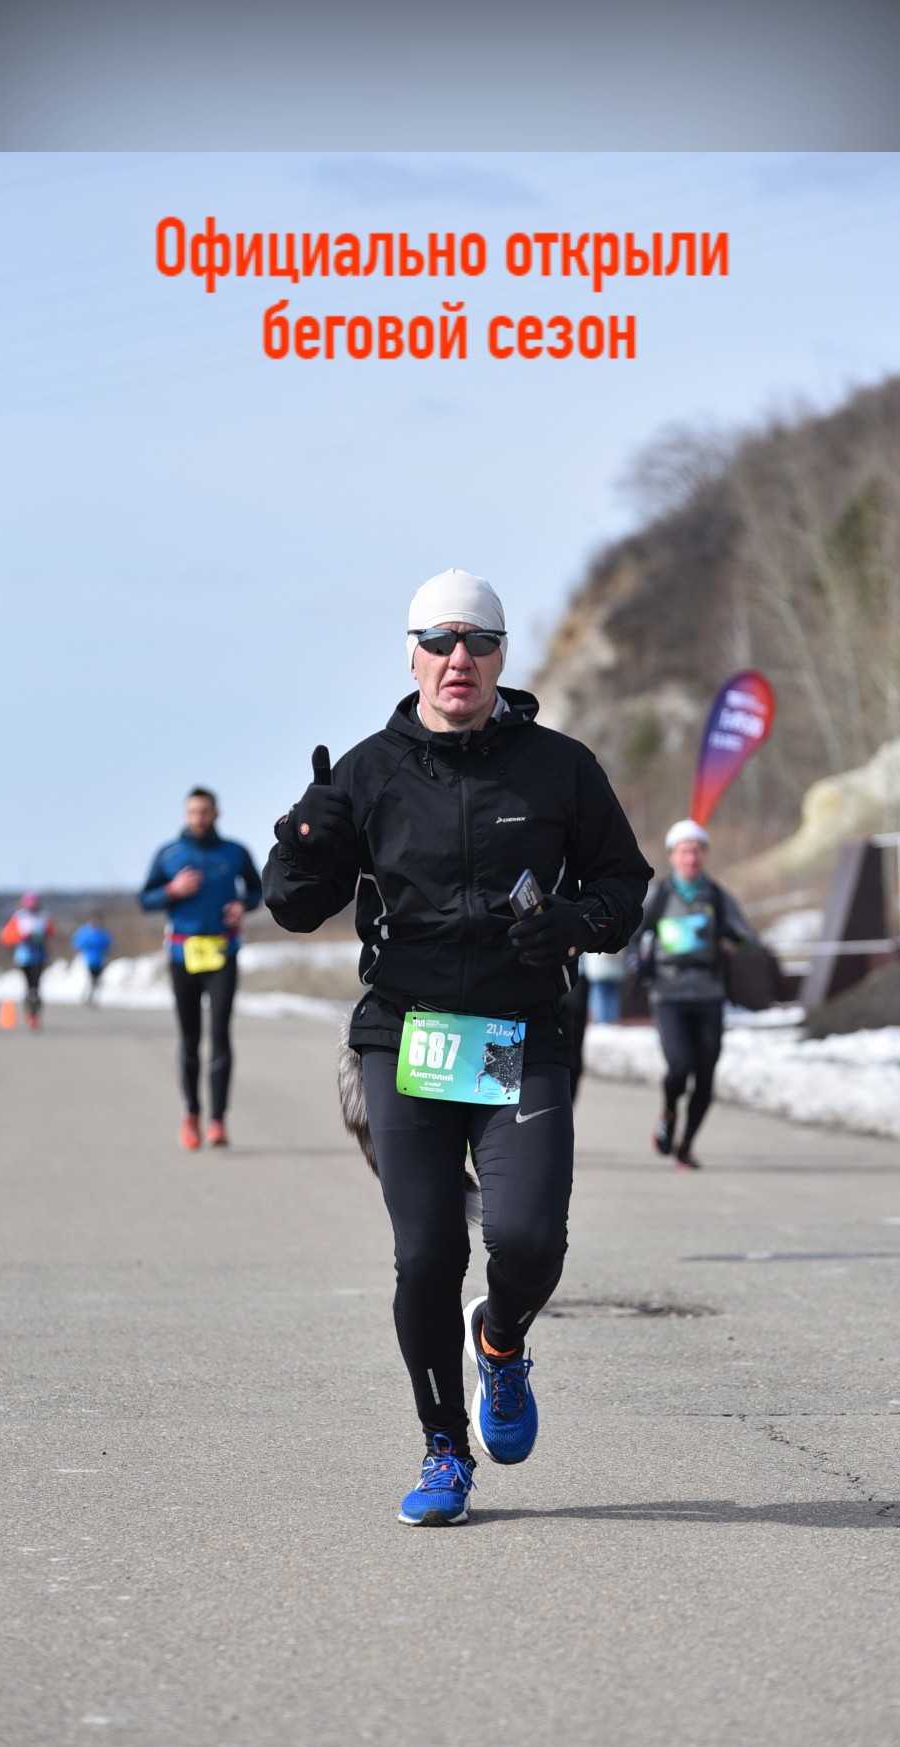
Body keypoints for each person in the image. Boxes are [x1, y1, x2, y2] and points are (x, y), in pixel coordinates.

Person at [262, 568, 652, 1526]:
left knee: (526, 1240)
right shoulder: (368, 769)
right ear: (412, 656)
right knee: (427, 1251)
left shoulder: (561, 767)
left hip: (522, 1036)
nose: (457, 660)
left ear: (502, 656)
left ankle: (504, 1340)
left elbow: (623, 890)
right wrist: (303, 844)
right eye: (438, 642)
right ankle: (444, 1449)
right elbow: (293, 904)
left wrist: (570, 920)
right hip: (407, 1037)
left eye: (476, 641)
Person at [629, 818, 759, 1170]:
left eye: (698, 850)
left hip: (708, 993)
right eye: (685, 851)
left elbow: (750, 941)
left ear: (705, 855)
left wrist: (736, 936)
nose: (691, 858)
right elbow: (631, 933)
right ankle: (669, 1111)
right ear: (672, 856)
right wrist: (636, 959)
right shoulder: (659, 895)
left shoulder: (716, 896)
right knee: (679, 1066)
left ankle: (686, 1144)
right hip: (669, 992)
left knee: (705, 1072)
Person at [139, 787, 263, 1149]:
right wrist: (172, 891)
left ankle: (218, 1120)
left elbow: (257, 891)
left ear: (216, 814)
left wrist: (243, 905)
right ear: (185, 814)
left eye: (205, 811)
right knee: (190, 1038)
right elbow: (145, 898)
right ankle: (191, 1114)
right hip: (182, 955)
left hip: (223, 952)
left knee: (221, 1034)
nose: (199, 818)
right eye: (193, 812)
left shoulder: (235, 852)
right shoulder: (169, 854)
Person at [0, 892, 55, 1029]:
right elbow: (6, 937)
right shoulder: (19, 918)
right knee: (29, 987)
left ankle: (35, 1014)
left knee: (35, 987)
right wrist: (21, 937)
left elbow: (52, 932)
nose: (33, 908)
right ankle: (29, 1013)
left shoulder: (43, 917)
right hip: (24, 958)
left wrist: (42, 936)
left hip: (40, 956)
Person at [70, 912, 114, 1003]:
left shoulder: (102, 933)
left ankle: (92, 995)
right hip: (87, 959)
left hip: (100, 960)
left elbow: (109, 944)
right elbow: (77, 943)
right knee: (90, 978)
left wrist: (108, 952)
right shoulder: (85, 931)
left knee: (96, 979)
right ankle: (87, 995)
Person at [583, 950, 624, 1025]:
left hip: (599, 966)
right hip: (609, 965)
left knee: (600, 994)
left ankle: (602, 1020)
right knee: (608, 994)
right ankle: (608, 1020)